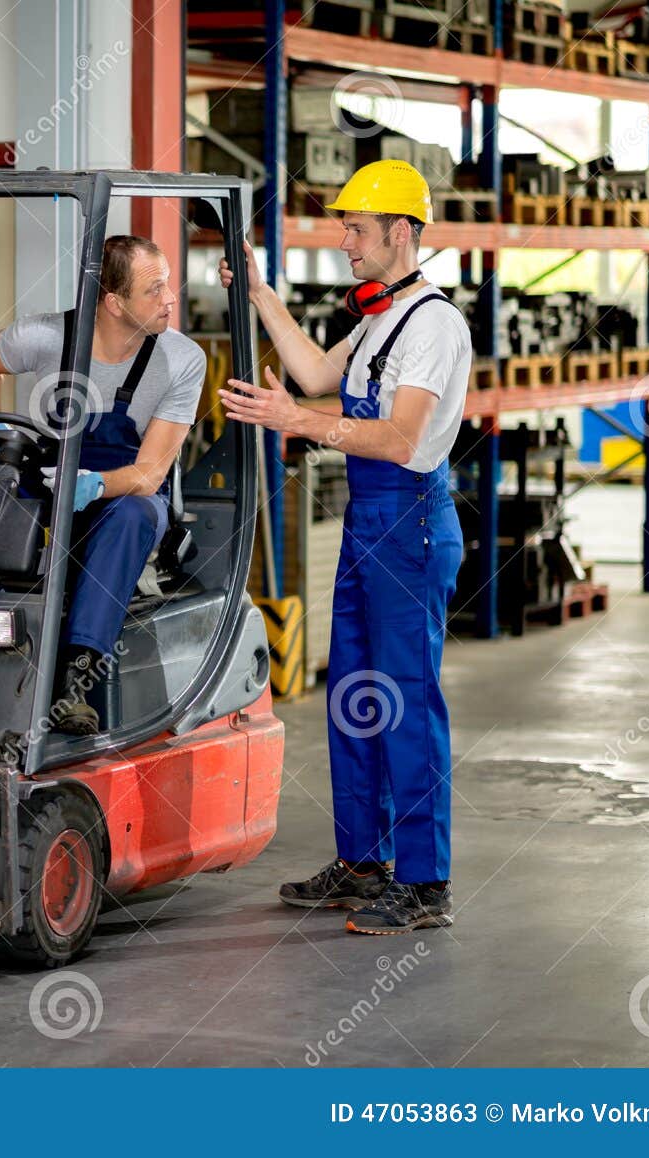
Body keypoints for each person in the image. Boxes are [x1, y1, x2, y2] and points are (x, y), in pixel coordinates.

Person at [216, 160, 469, 934]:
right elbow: (314, 371)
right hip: (368, 522)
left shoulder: (433, 326)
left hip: (410, 522)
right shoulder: (378, 319)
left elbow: (400, 439)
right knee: (355, 696)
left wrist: (298, 423)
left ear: (402, 232)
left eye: (357, 230)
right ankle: (363, 863)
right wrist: (259, 293)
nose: (345, 243)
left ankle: (424, 884)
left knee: (406, 700)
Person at [0, 234, 206, 735]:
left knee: (132, 517)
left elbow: (149, 474)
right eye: (154, 289)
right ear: (114, 303)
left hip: (128, 489)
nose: (170, 299)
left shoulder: (181, 359)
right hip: (49, 475)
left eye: (168, 285)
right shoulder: (45, 336)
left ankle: (77, 676)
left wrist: (94, 485)